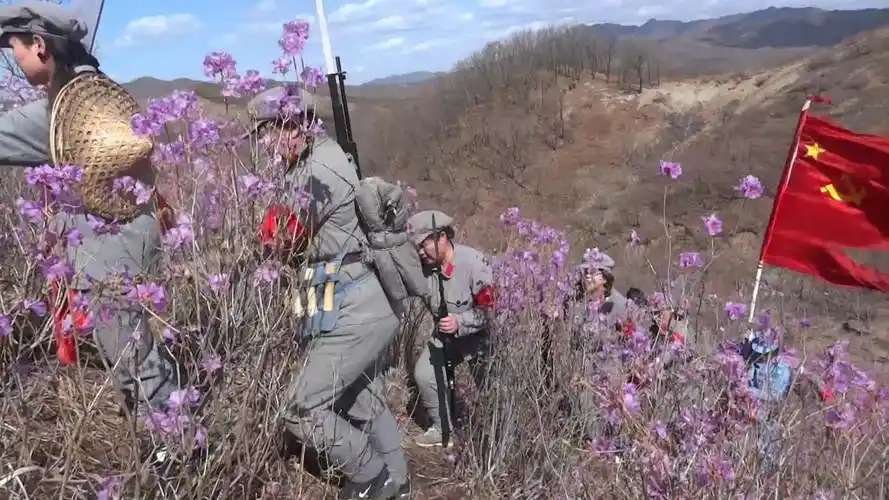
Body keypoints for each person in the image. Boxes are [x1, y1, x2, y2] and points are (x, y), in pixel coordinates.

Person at [0, 2, 183, 463]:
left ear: (39, 45)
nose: (14, 59)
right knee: (136, 351)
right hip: (133, 241)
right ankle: (168, 442)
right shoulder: (98, 93)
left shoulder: (63, 113)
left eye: (15, 48)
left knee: (132, 360)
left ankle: (176, 453)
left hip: (108, 256)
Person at [251, 85, 409, 499]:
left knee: (301, 409)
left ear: (293, 126)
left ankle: (369, 477)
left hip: (355, 304)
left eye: (269, 132)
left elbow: (279, 244)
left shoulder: (315, 172)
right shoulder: (321, 158)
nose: (265, 144)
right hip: (361, 299)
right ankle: (398, 480)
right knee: (359, 396)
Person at [407, 210, 495, 448]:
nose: (421, 252)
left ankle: (497, 436)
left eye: (424, 245)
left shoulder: (475, 263)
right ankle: (441, 428)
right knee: (424, 374)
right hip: (446, 338)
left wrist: (461, 321)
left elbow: (491, 311)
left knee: (494, 389)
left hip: (480, 338)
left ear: (442, 237)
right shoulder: (424, 269)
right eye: (418, 248)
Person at [741, 331, 791, 471]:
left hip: (768, 416)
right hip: (746, 413)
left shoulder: (781, 369)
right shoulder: (752, 359)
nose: (760, 357)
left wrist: (748, 391)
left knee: (765, 455)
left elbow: (775, 395)